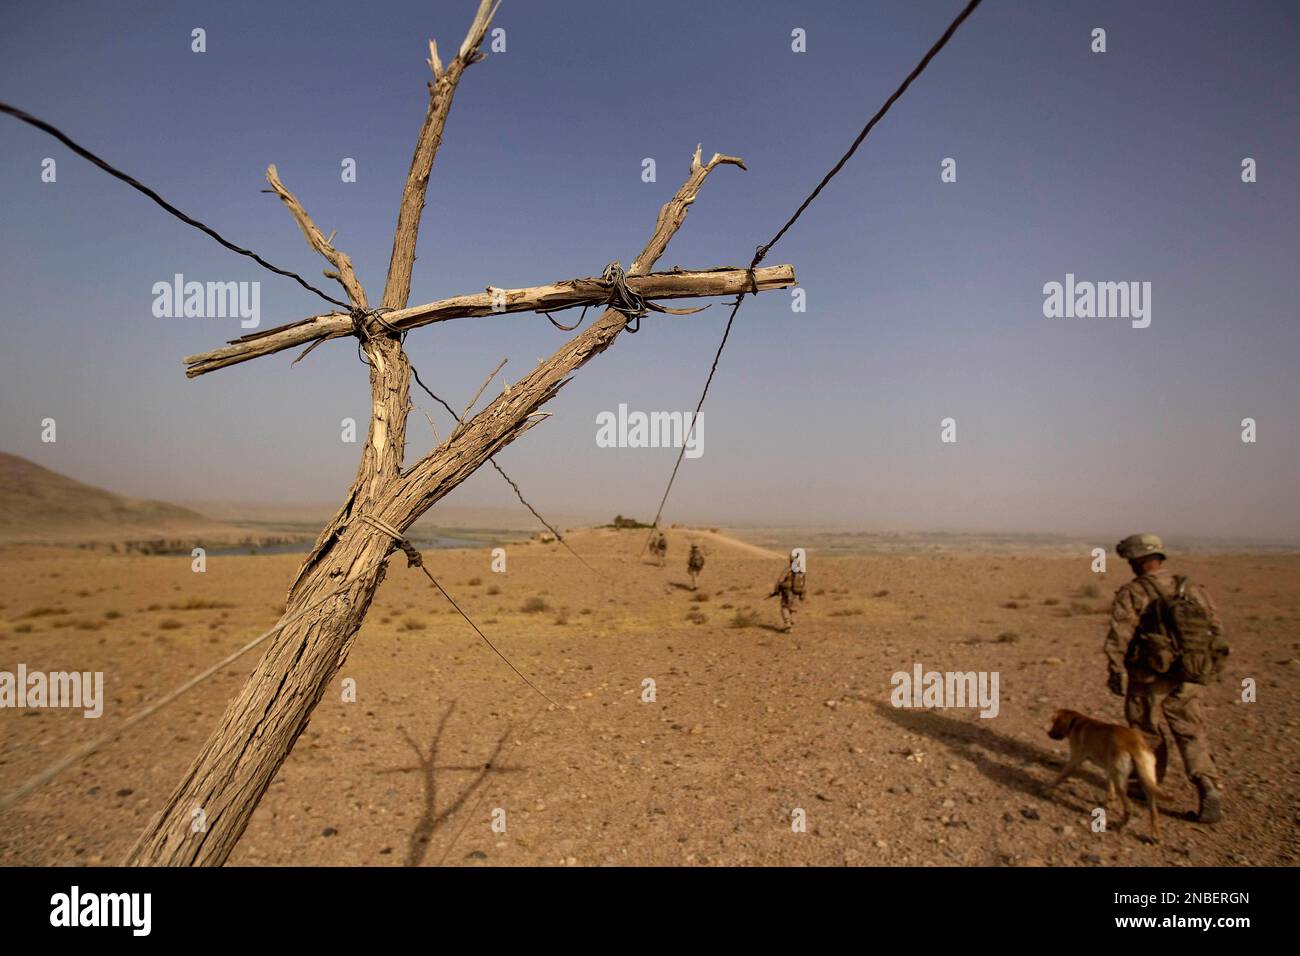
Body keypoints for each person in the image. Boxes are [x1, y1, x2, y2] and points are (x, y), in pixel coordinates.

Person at [1103, 533, 1229, 823]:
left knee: (1146, 731)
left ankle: (1148, 786)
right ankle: (1207, 784)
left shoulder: (1134, 591)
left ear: (1137, 560)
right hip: (1187, 674)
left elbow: (1119, 634)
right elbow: (1215, 629)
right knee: (1190, 730)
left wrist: (1115, 670)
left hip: (1148, 676)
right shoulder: (1191, 587)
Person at [770, 549, 806, 632]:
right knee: (793, 608)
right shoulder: (800, 570)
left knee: (784, 607)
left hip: (787, 592)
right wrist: (802, 594)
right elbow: (803, 583)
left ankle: (788, 624)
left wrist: (776, 591)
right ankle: (792, 620)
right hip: (796, 592)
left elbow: (780, 581)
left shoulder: (787, 570)